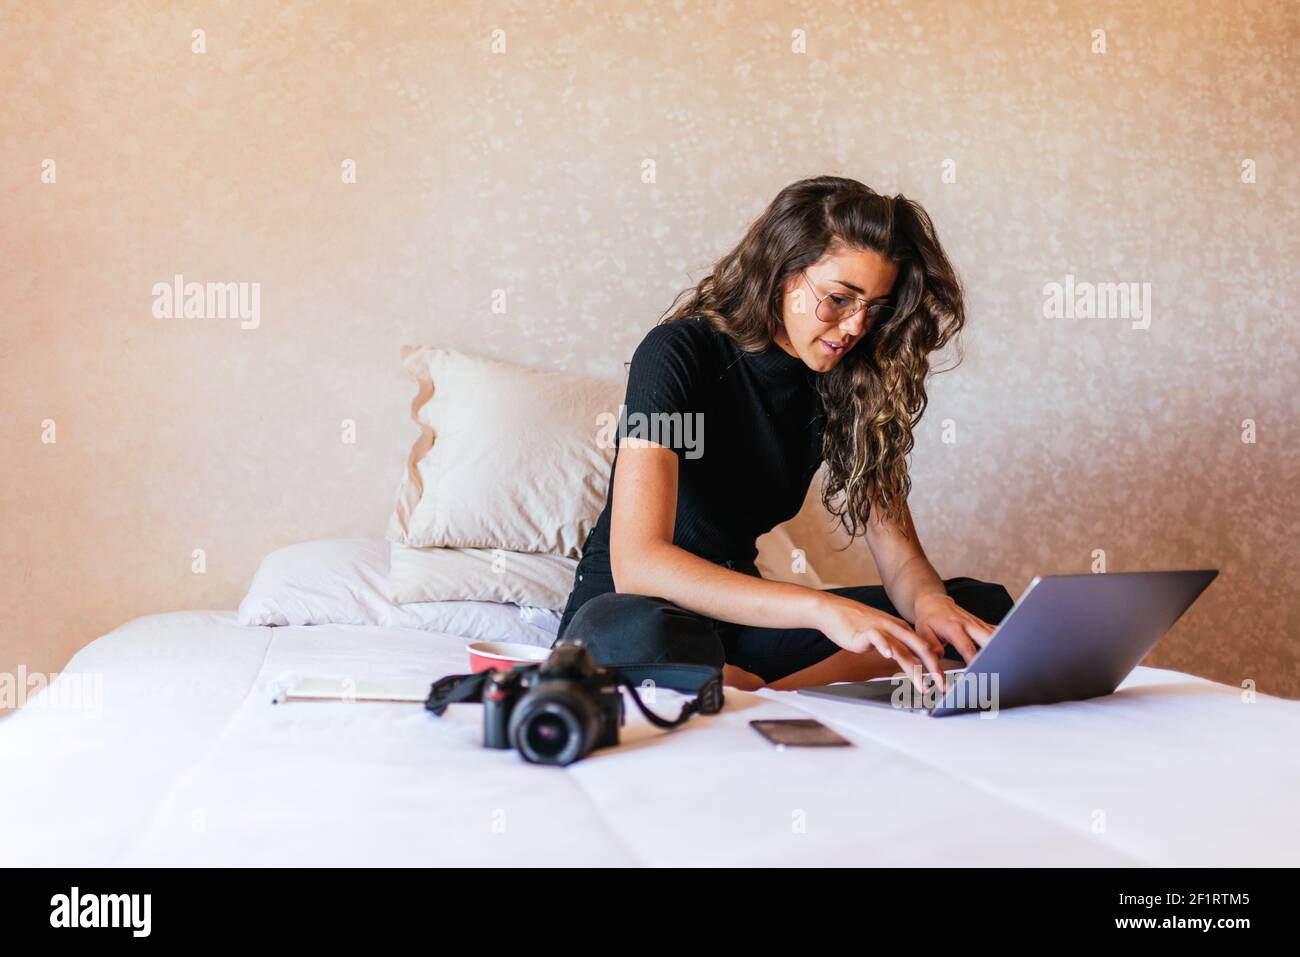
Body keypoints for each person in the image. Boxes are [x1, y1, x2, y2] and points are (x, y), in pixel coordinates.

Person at [556, 176, 1014, 693]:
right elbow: (640, 564)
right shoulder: (676, 354)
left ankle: (763, 694)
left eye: (876, 307)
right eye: (841, 299)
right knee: (621, 636)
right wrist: (823, 609)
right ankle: (760, 685)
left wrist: (930, 604)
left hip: (740, 625)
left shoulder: (852, 384)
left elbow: (902, 559)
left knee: (981, 608)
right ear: (780, 273)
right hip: (638, 615)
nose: (855, 327)